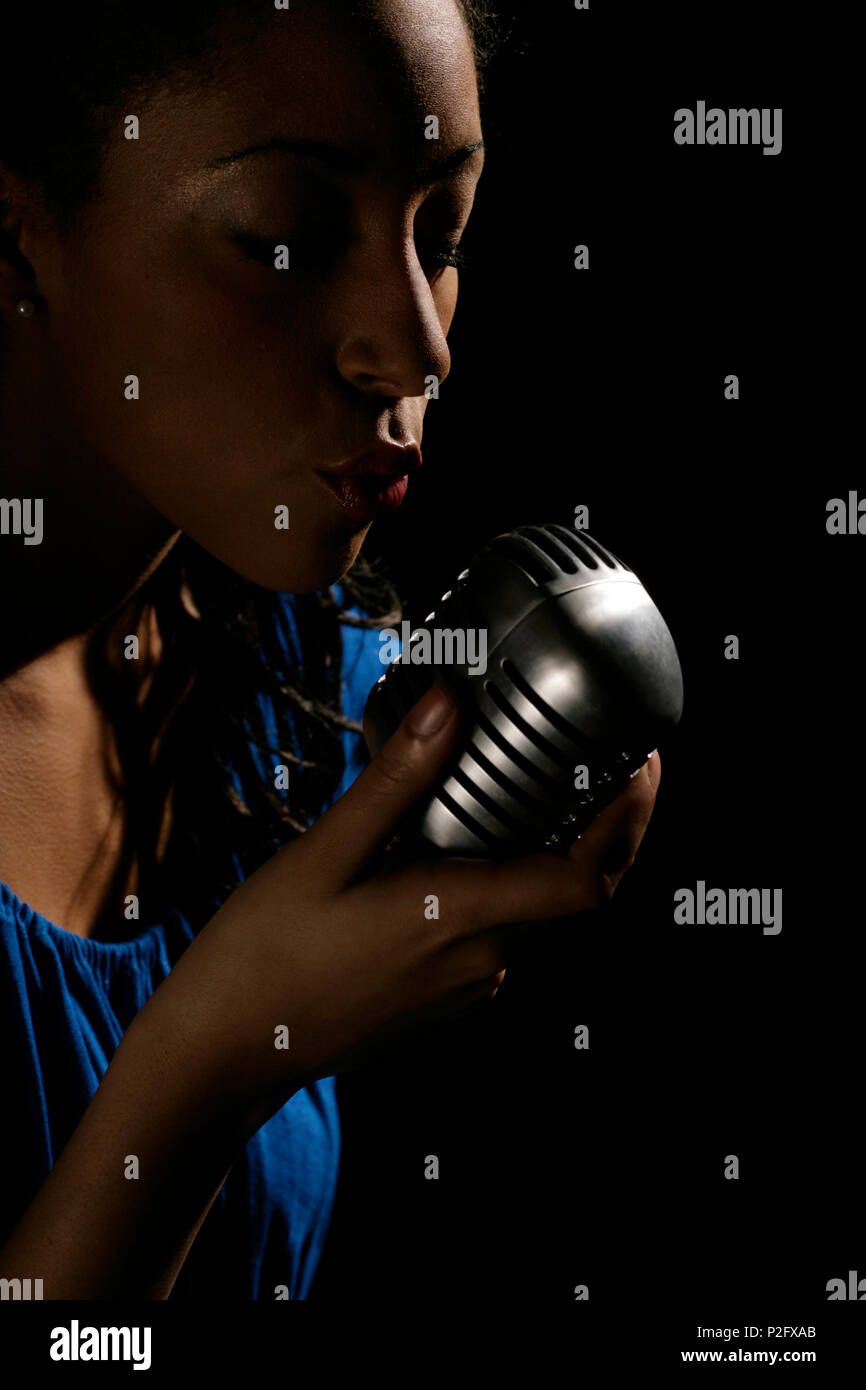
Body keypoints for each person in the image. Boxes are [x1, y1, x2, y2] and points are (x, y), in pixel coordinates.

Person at [0, 0, 661, 1299]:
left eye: (442, 233)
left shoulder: (310, 687)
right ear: (18, 229)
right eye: (288, 241)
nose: (417, 348)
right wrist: (213, 1063)